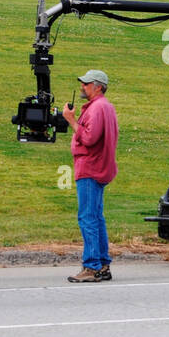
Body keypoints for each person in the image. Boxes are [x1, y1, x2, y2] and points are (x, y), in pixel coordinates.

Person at [62, 69, 118, 283]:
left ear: (98, 87)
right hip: (101, 167)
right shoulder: (107, 107)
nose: (82, 87)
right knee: (96, 217)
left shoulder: (97, 108)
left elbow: (89, 138)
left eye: (86, 84)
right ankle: (103, 264)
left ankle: (92, 266)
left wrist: (71, 120)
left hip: (90, 168)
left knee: (87, 218)